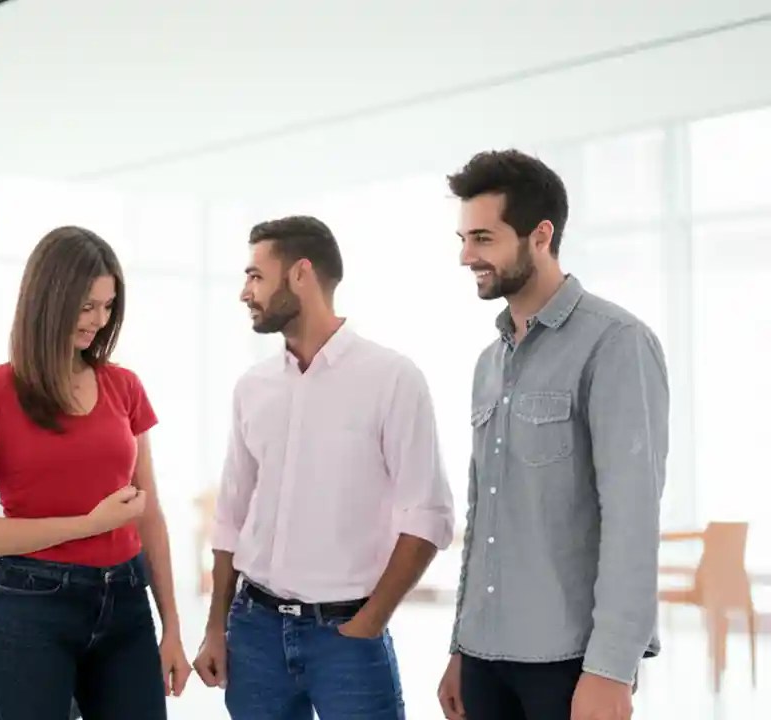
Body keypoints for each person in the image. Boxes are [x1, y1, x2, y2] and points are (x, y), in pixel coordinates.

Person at [192, 215, 456, 719]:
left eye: (255, 276)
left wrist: (369, 622)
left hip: (347, 637)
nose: (245, 292)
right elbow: (232, 515)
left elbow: (428, 516)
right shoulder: (253, 387)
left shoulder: (392, 379)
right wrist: (216, 628)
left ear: (300, 274)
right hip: (254, 633)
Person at [437, 150, 669, 720]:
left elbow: (632, 518)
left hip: (569, 664)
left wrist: (611, 668)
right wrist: (459, 647)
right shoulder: (488, 364)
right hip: (484, 658)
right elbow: (483, 514)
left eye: (484, 238)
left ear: (540, 236)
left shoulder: (616, 343)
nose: (466, 255)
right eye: (464, 238)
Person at [0, 226, 191, 720]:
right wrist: (88, 525)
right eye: (86, 306)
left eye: (108, 305)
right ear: (48, 300)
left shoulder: (123, 386)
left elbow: (150, 514)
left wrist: (173, 629)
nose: (100, 320)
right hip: (31, 608)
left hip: (126, 602)